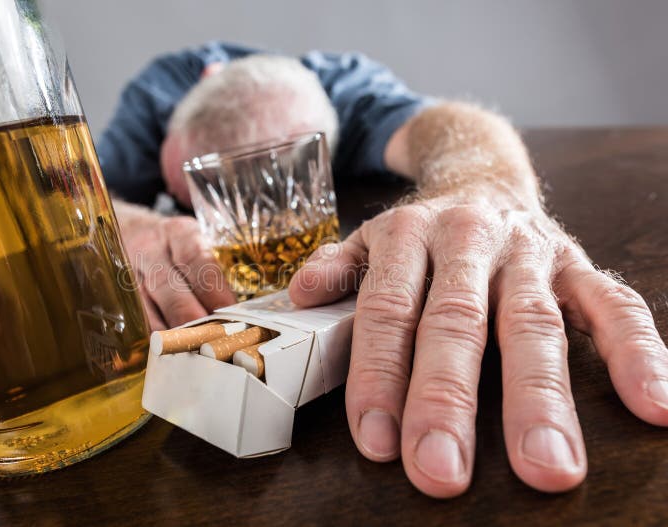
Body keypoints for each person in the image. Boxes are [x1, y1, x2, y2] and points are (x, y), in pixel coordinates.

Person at [98, 42, 668, 498]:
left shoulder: (340, 84)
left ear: (316, 154)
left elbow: (453, 126)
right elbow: (72, 183)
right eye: (185, 193)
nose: (199, 212)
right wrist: (121, 218)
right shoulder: (156, 97)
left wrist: (483, 187)